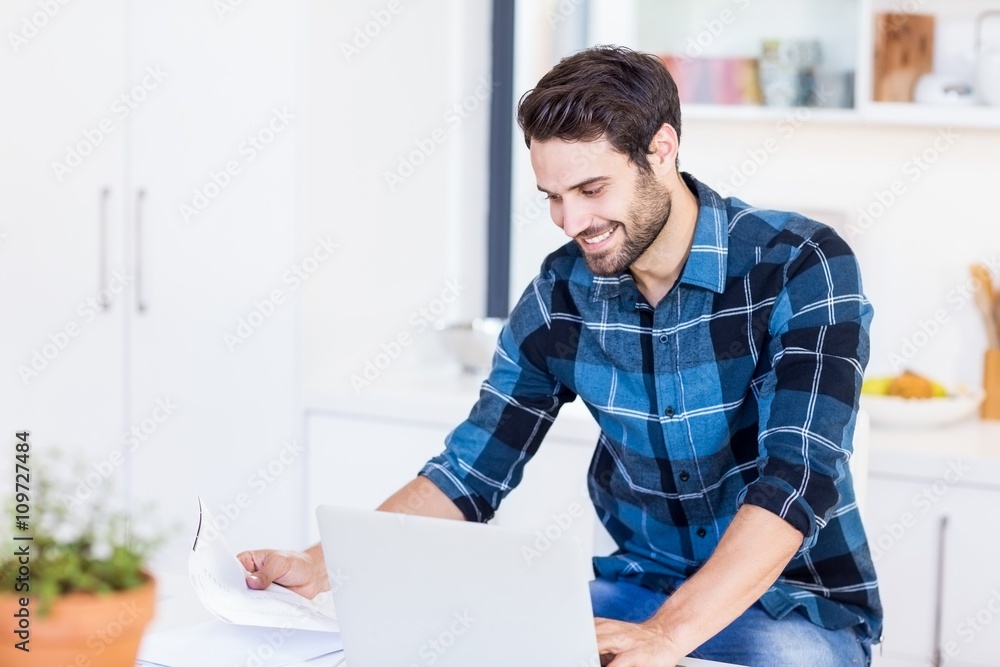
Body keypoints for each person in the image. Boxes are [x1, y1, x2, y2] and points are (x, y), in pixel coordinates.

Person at [238, 45, 882, 666]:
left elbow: (796, 480)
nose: (570, 220)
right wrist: (323, 567)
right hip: (637, 589)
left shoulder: (801, 264)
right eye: (552, 196)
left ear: (661, 149)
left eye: (592, 188)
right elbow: (471, 473)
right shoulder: (560, 294)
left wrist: (665, 638)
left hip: (797, 609)